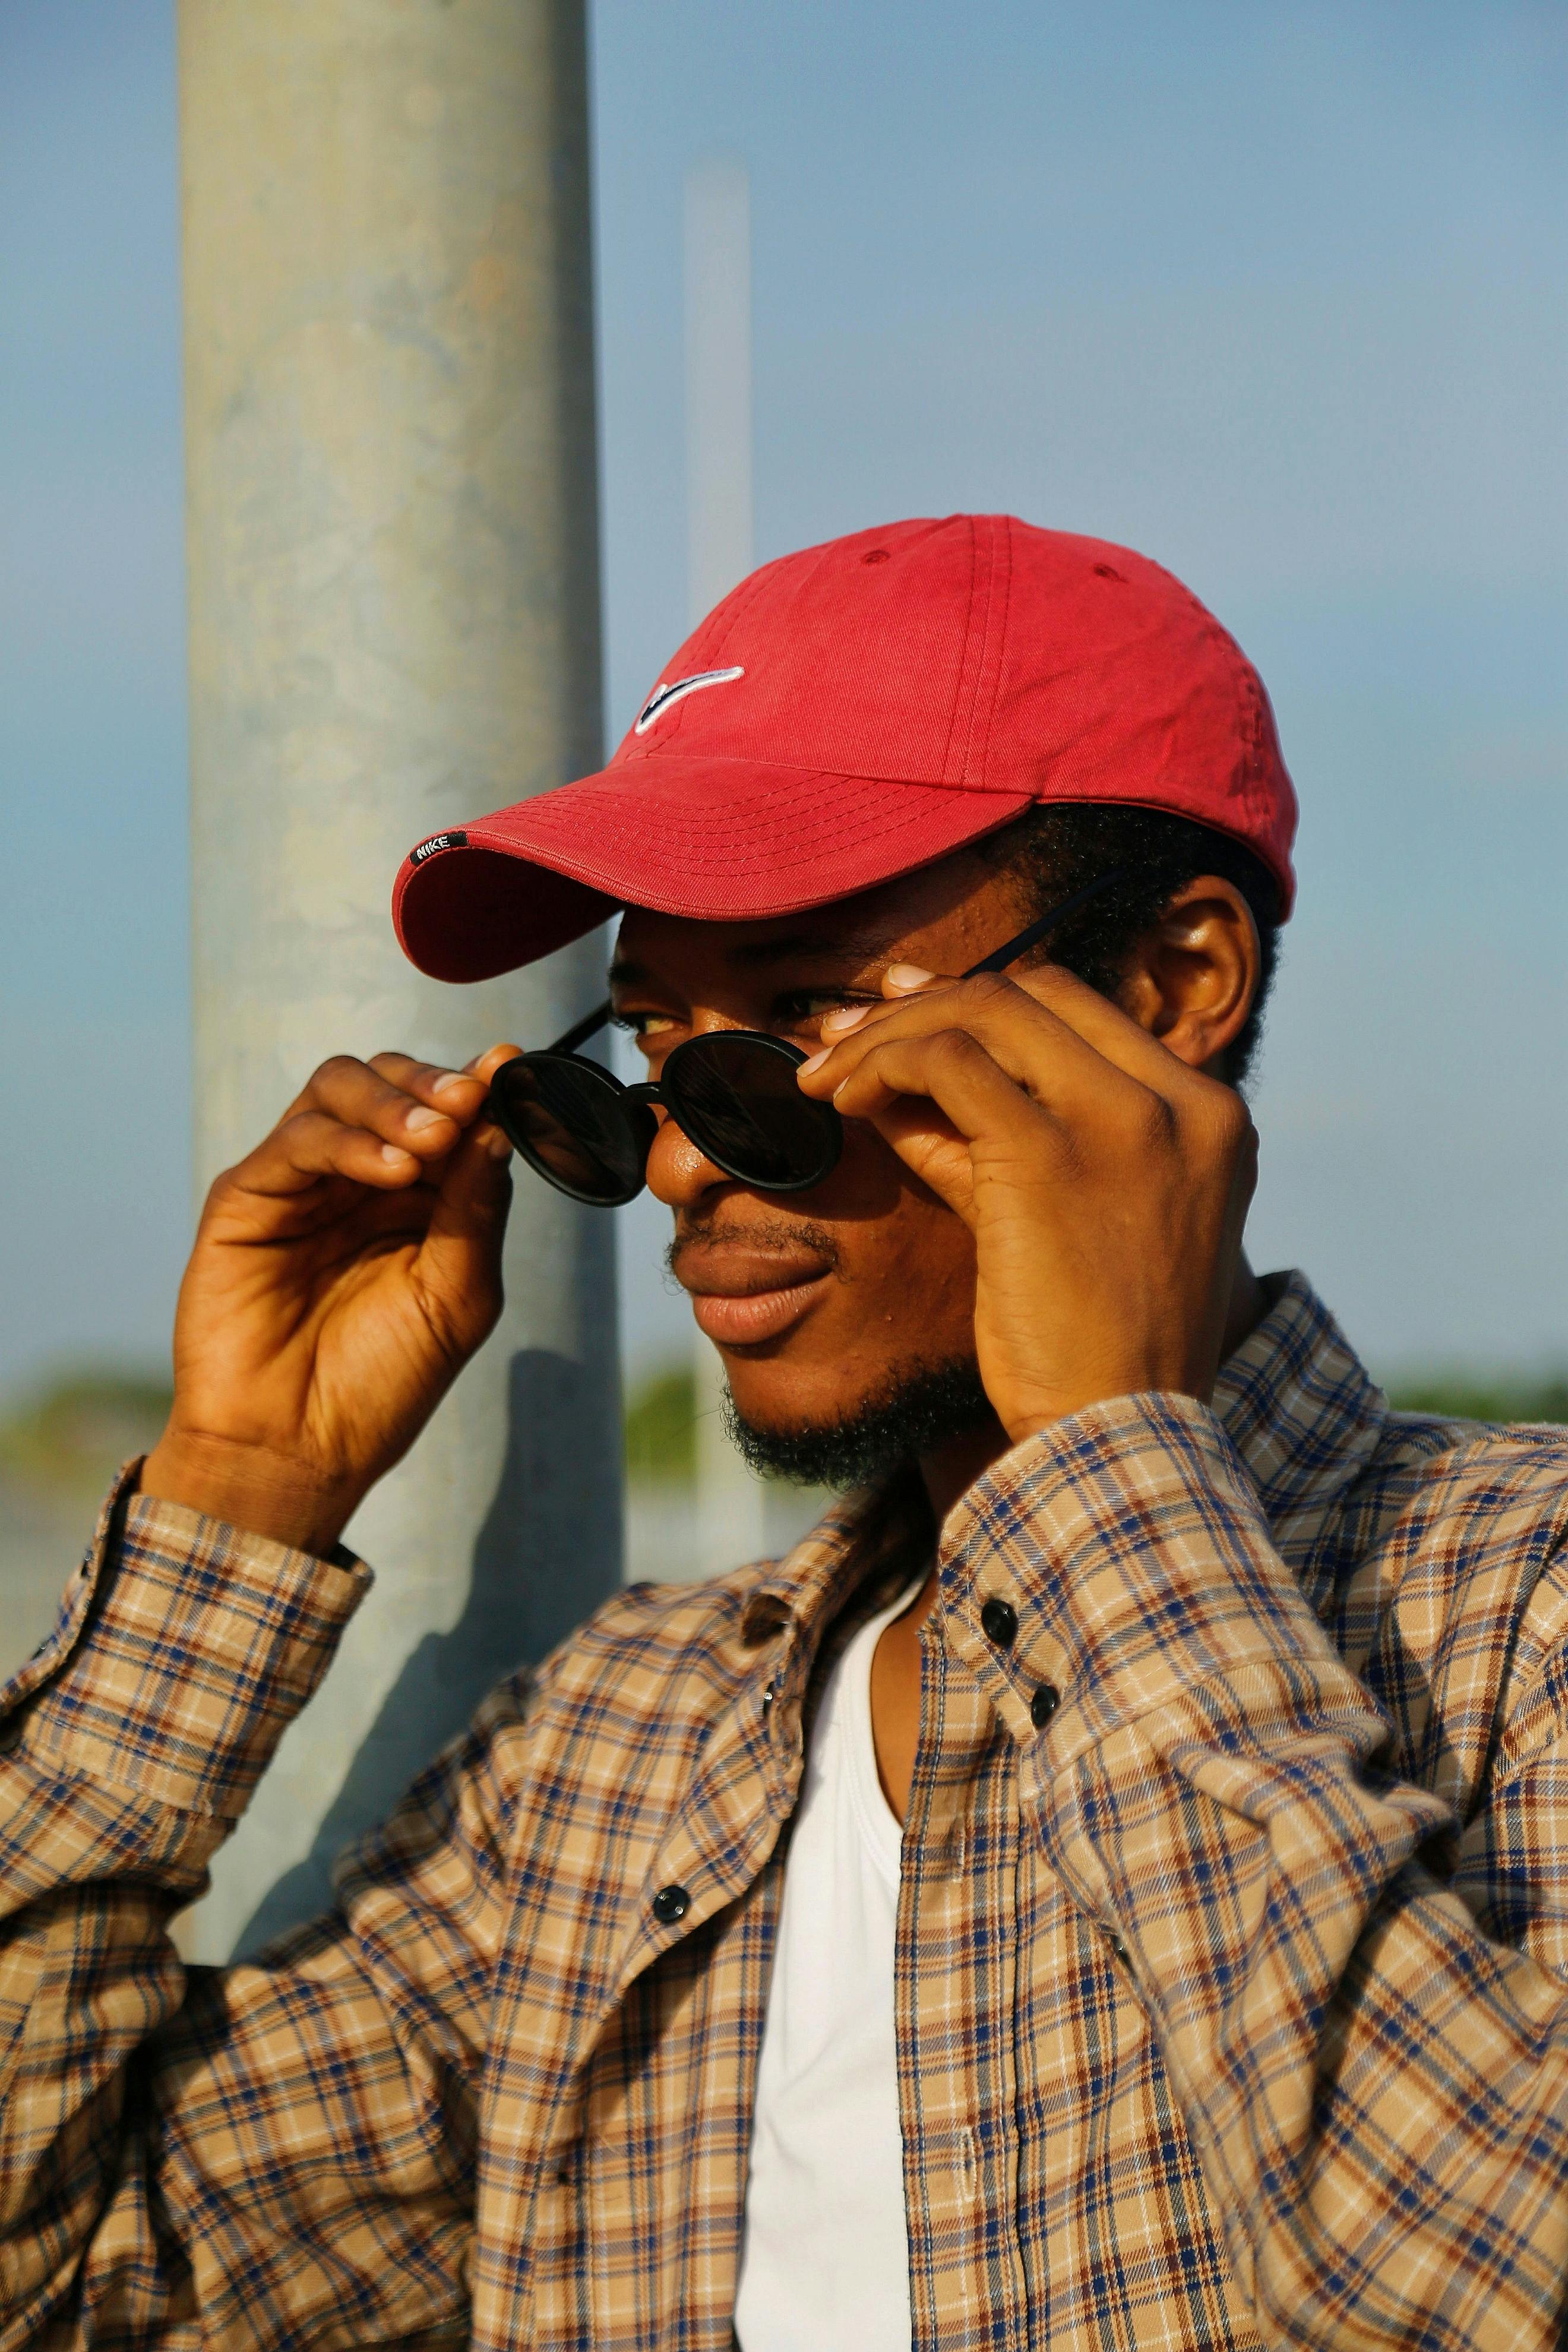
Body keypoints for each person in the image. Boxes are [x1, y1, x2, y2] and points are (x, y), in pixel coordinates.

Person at [3, 515, 1566, 2352]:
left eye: (801, 1024)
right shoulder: (612, 1754)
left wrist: (1113, 1467)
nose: (680, 1160)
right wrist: (238, 1498)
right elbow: (67, 2279)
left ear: (1171, 988)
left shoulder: (1517, 1614)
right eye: (650, 1057)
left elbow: (1482, 2285)